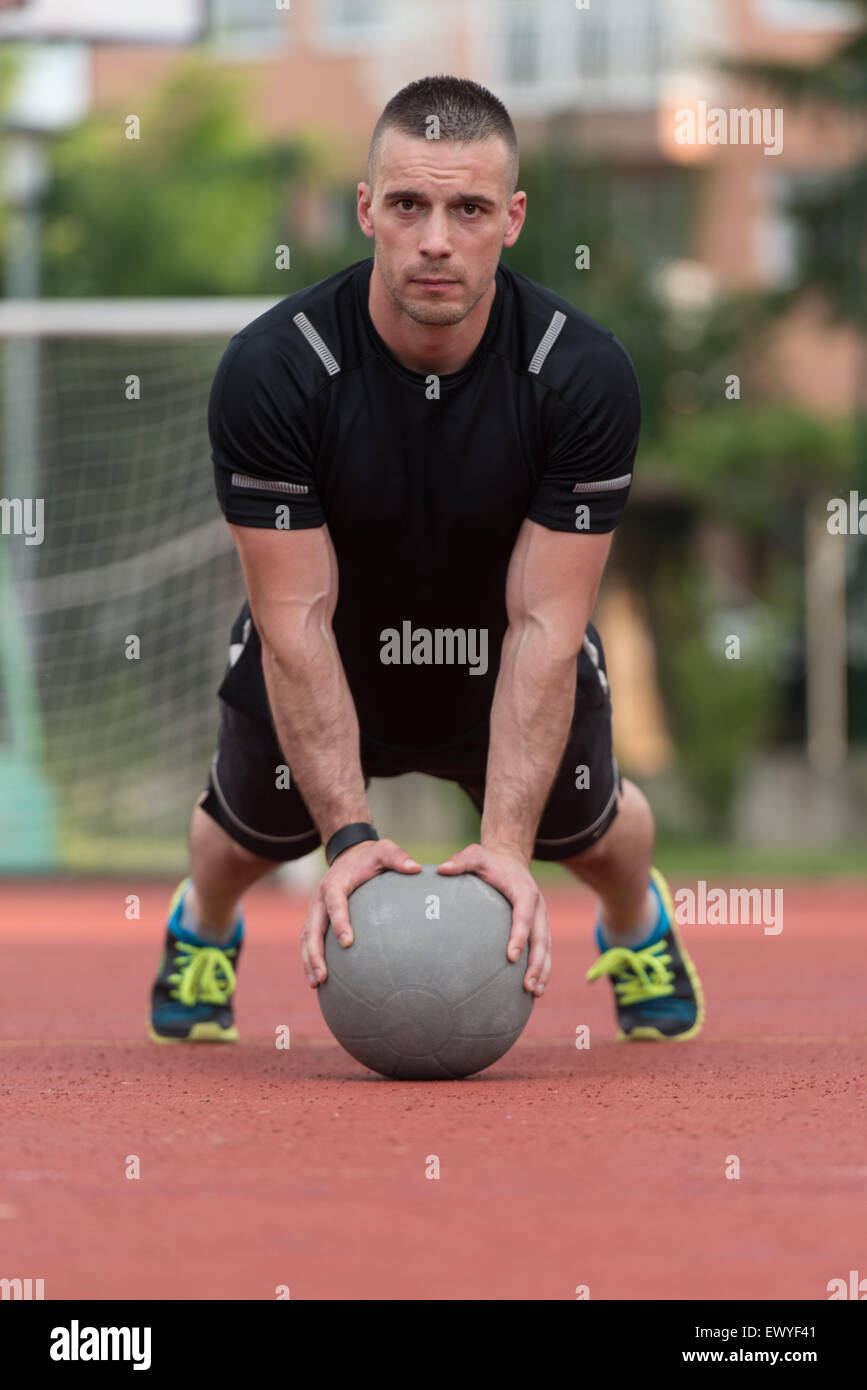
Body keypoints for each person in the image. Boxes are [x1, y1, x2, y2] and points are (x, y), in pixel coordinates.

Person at [149, 75, 704, 1047]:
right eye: (408, 203)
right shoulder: (275, 369)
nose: (436, 238)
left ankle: (636, 925)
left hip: (505, 652)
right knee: (240, 833)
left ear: (513, 218)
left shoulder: (581, 375)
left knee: (601, 837)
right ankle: (201, 926)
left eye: (469, 208)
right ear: (366, 208)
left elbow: (547, 622)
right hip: (332, 645)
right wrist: (350, 839)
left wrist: (503, 848)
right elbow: (294, 623)